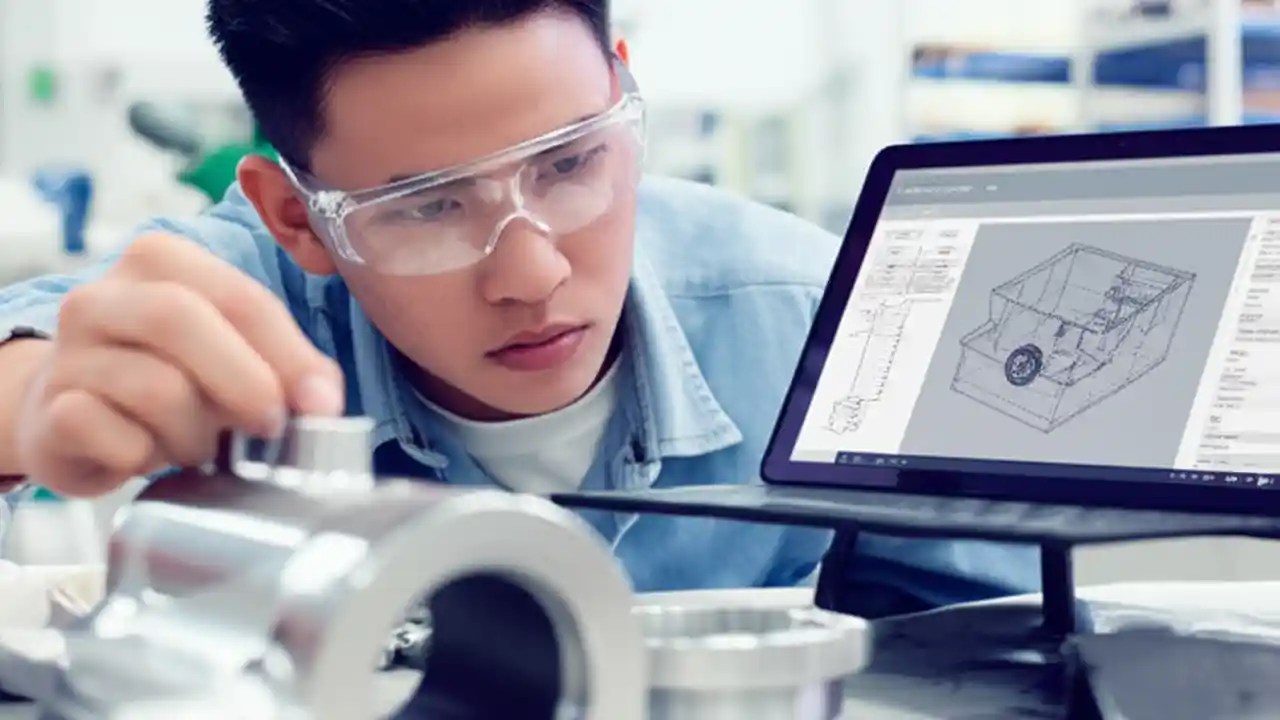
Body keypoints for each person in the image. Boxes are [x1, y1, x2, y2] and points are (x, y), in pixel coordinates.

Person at [0, 0, 1038, 614]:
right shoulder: (255, 297)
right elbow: (37, 351)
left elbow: (988, 646)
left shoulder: (825, 321)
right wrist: (40, 399)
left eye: (571, 161)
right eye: (426, 205)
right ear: (297, 216)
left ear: (624, 94)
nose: (531, 273)